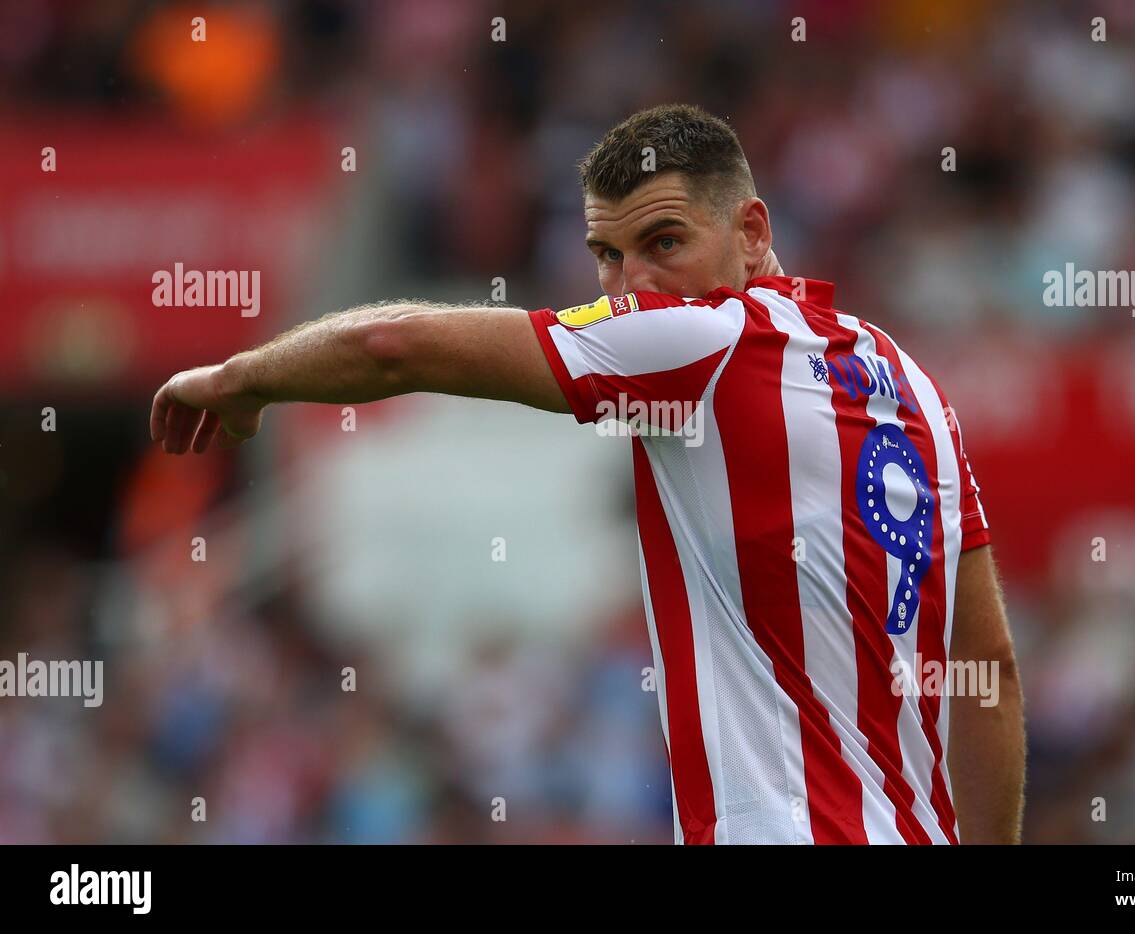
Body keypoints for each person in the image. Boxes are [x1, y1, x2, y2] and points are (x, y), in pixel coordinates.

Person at [149, 103, 1025, 845]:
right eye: (608, 254)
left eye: (664, 241)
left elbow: (392, 346)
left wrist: (240, 378)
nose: (631, 284)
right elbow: (988, 666)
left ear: (752, 232)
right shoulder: (913, 385)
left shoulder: (704, 341)